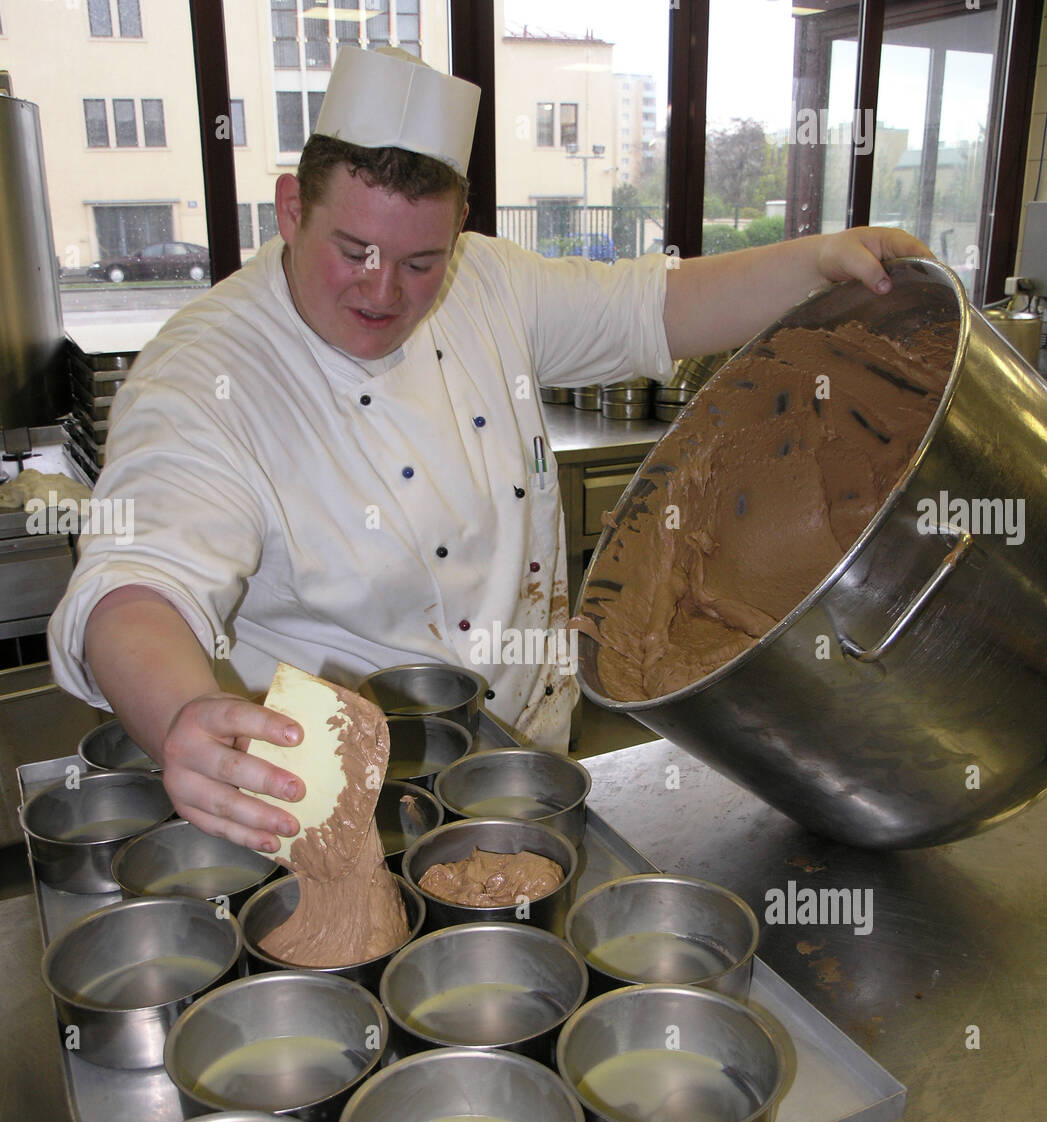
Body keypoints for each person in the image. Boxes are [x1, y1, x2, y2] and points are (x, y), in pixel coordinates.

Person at [48, 45, 932, 857]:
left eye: (421, 260)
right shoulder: (208, 371)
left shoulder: (488, 285)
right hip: (330, 815)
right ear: (291, 208)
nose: (382, 290)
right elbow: (137, 579)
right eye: (353, 249)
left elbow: (649, 308)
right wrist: (181, 717)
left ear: (459, 229)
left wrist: (820, 262)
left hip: (523, 766)